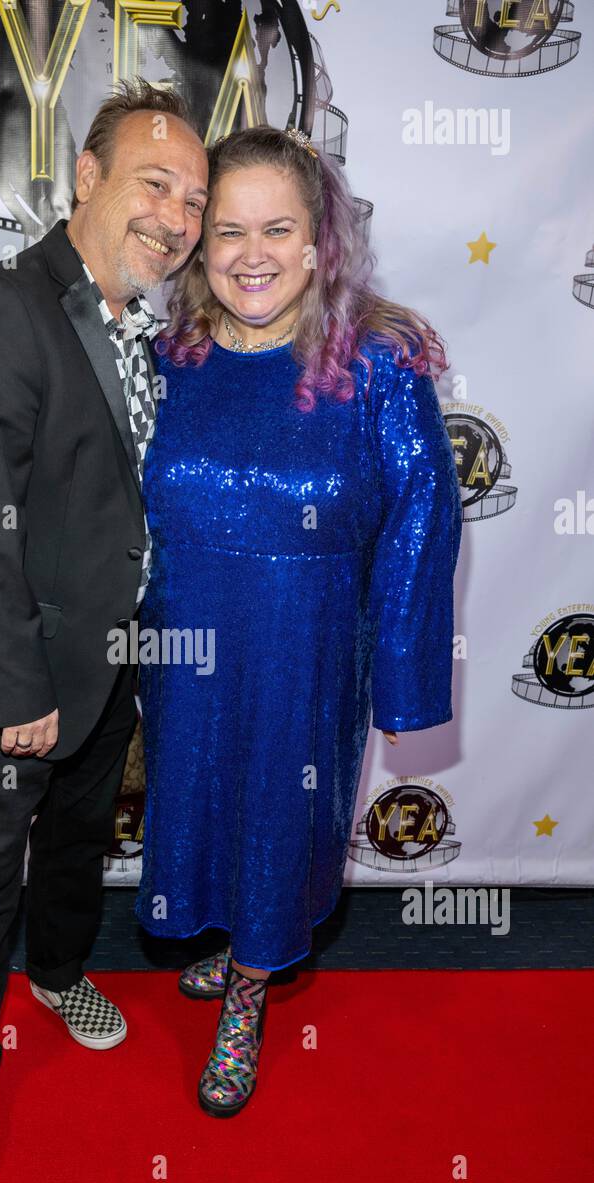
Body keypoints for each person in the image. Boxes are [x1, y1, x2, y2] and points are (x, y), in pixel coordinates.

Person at [0, 78, 209, 1183]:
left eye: (192, 197)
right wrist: (19, 687)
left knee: (78, 849)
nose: (176, 218)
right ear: (84, 177)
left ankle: (61, 969)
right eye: (152, 183)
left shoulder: (146, 323)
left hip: (112, 664)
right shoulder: (2, 305)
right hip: (13, 679)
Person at [134, 124, 463, 1117]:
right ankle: (233, 942)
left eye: (276, 227)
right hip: (183, 638)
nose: (250, 253)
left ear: (318, 241)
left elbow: (420, 522)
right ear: (198, 244)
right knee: (194, 804)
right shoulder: (165, 358)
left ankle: (250, 984)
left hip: (305, 643)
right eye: (226, 230)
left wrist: (405, 681)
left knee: (280, 807)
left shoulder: (377, 369)